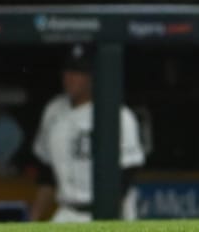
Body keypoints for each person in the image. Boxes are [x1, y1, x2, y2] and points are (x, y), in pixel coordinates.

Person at [30, 45, 146, 222]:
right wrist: (33, 218)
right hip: (67, 212)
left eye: (78, 72)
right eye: (68, 70)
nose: (69, 78)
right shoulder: (53, 110)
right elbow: (47, 175)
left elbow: (127, 175)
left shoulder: (119, 115)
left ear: (93, 77)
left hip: (106, 213)